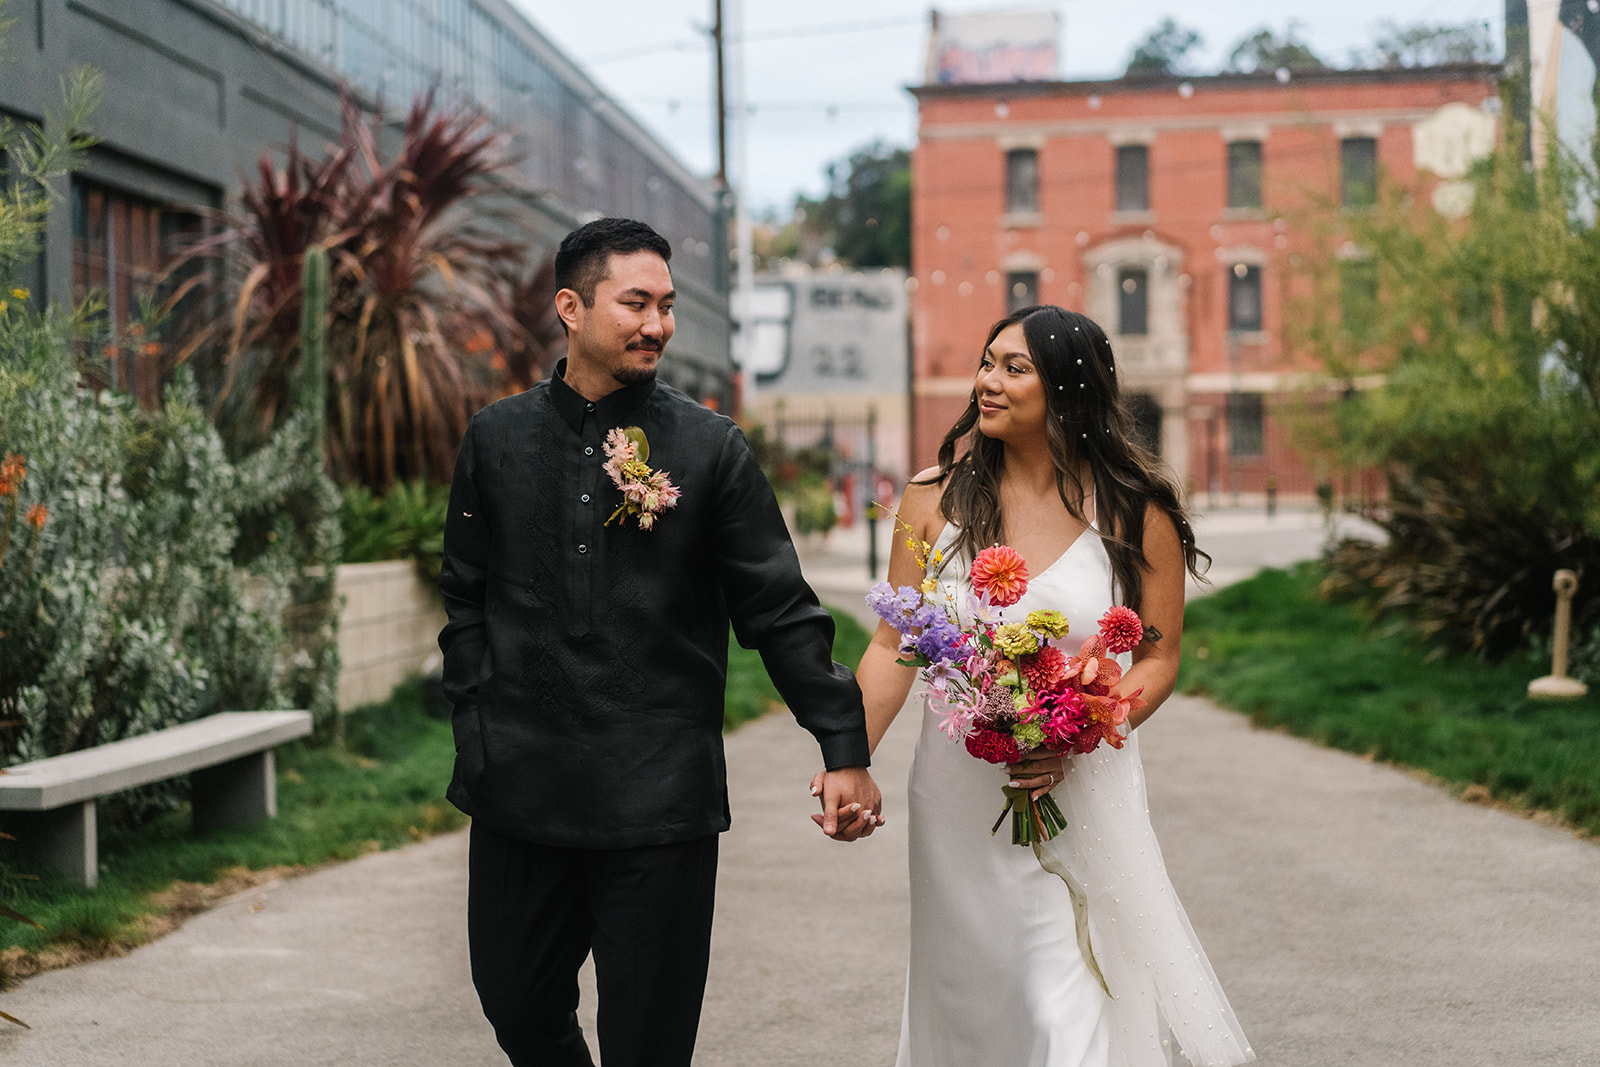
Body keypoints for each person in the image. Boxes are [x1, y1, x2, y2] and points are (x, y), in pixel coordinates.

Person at [438, 217, 882, 1067]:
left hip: (659, 793)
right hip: (520, 784)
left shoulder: (710, 449)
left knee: (649, 1043)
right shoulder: (495, 438)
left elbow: (779, 608)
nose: (658, 325)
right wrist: (475, 721)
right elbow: (465, 593)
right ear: (571, 307)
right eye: (636, 303)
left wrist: (842, 743)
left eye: (667, 306)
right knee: (517, 1003)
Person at [822, 305, 1253, 1066]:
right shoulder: (933, 499)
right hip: (955, 793)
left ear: (1067, 389)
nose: (987, 381)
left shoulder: (1134, 510)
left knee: (1065, 994)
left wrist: (1081, 727)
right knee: (972, 996)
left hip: (1076, 784)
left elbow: (1157, 659)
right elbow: (895, 641)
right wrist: (847, 759)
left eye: (1013, 368)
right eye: (987, 362)